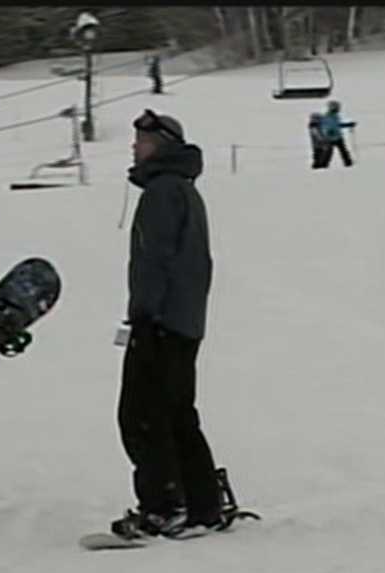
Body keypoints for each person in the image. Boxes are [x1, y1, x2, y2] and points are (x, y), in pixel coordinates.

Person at [110, 109, 230, 541]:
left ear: (160, 144)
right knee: (177, 413)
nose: (134, 147)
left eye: (141, 141)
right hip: (183, 321)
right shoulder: (182, 189)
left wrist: (144, 315)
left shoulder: (163, 191)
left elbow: (154, 260)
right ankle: (202, 505)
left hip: (161, 321)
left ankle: (164, 507)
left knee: (142, 415)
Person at [319, 100, 356, 168]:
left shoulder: (336, 116)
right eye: (337, 108)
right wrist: (328, 131)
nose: (338, 109)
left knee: (343, 151)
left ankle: (348, 163)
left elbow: (337, 125)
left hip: (338, 137)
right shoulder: (327, 116)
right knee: (328, 153)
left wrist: (348, 125)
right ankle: (323, 166)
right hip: (330, 138)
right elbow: (324, 126)